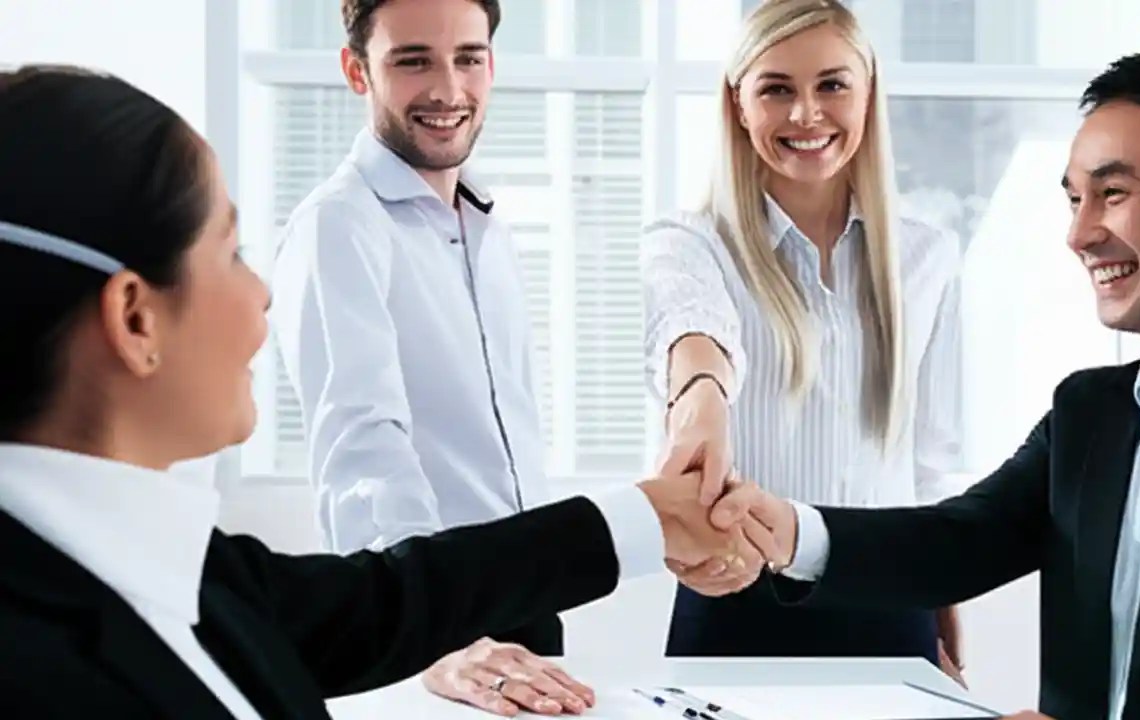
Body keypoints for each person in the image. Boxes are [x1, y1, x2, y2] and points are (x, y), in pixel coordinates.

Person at [0, 64, 772, 719]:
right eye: (230, 252)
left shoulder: (180, 567)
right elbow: (365, 442)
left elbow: (380, 601)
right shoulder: (37, 668)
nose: (262, 293)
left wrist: (642, 517)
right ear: (136, 317)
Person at [713, 49, 1140, 720]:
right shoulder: (1090, 412)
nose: (1079, 233)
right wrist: (785, 532)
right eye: (1074, 199)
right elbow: (958, 543)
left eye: (1114, 193)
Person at [269, 0, 589, 712]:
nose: (448, 89)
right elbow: (360, 446)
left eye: (468, 58)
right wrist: (431, 632)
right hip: (437, 626)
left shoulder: (486, 223)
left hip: (524, 602)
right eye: (413, 60)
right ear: (357, 71)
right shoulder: (339, 225)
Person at [641, 0, 965, 675]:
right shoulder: (689, 244)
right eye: (777, 89)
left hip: (890, 593)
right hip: (735, 599)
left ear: (868, 91)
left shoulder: (928, 255)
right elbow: (693, 329)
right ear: (738, 104)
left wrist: (943, 596)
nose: (806, 114)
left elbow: (930, 464)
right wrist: (700, 399)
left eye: (832, 85)